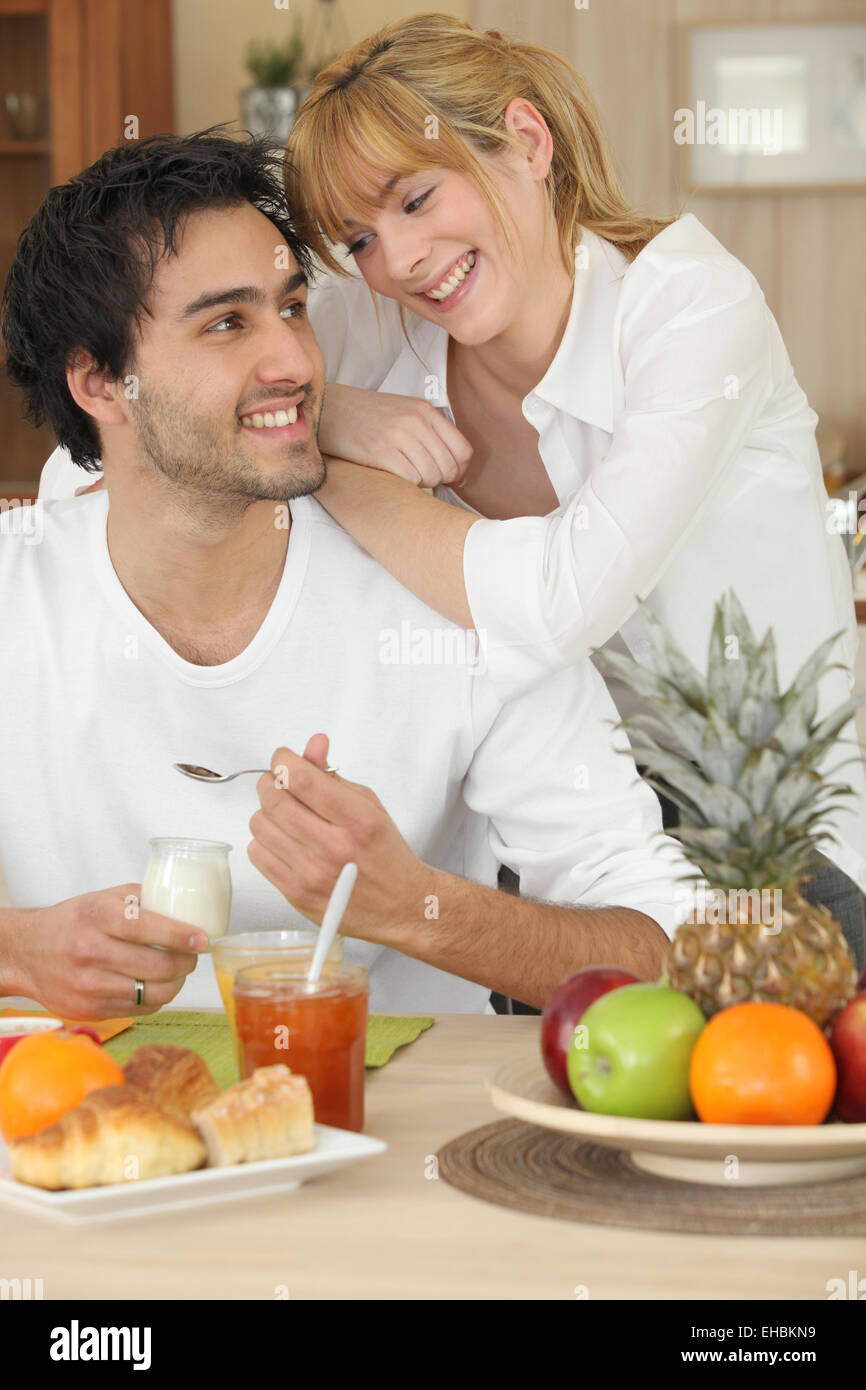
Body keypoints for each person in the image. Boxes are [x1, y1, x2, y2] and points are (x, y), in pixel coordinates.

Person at [0, 131, 692, 1022]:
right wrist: (16, 951)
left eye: (292, 308)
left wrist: (423, 910)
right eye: (225, 324)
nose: (293, 360)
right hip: (75, 1138)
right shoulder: (18, 598)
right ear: (99, 383)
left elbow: (673, 948)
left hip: (405, 1148)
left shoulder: (451, 593)